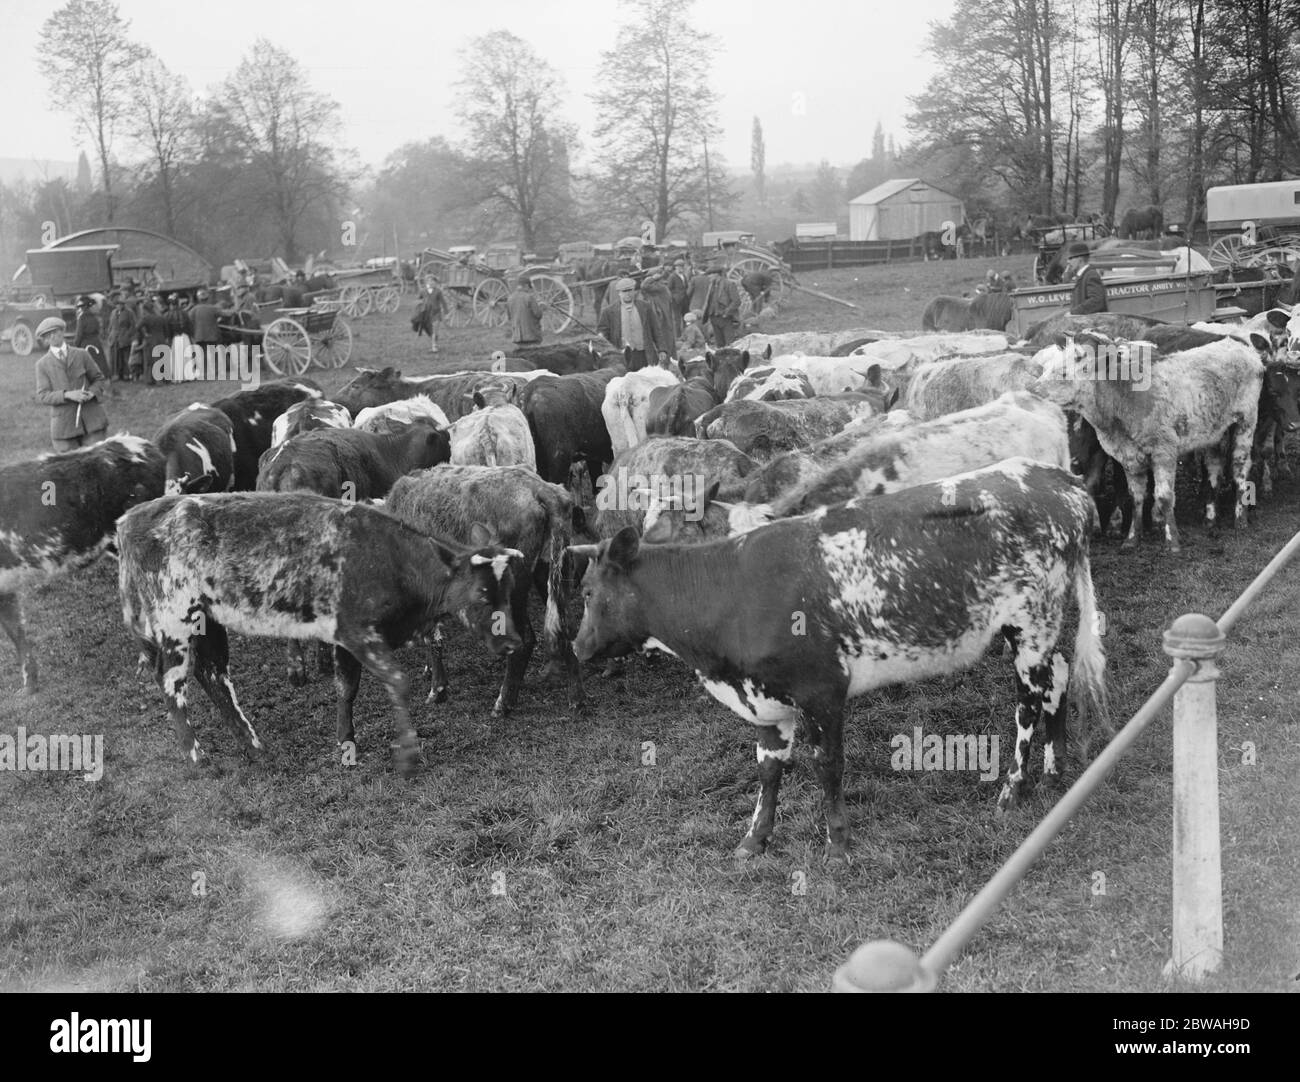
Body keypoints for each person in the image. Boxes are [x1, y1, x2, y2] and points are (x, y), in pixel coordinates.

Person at [33, 317, 108, 451]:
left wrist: (91, 392)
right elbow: (42, 395)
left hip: (92, 422)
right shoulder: (42, 364)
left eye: (55, 332)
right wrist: (67, 395)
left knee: (99, 463)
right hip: (64, 428)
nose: (52, 337)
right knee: (70, 468)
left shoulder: (82, 354)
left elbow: (99, 379)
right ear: (44, 340)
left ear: (62, 332)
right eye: (47, 335)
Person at [596, 278, 671, 371]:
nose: (628, 294)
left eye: (630, 291)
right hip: (622, 356)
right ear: (619, 293)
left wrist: (662, 349)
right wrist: (601, 337)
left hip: (644, 354)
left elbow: (656, 330)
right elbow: (602, 332)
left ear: (634, 291)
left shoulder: (645, 307)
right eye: (624, 291)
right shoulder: (608, 312)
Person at [701, 260, 742, 348]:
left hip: (726, 319)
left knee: (730, 344)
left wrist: (726, 313)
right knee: (719, 344)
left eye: (710, 274)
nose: (709, 277)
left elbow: (736, 301)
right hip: (714, 318)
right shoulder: (711, 285)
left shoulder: (729, 284)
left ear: (717, 274)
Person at [1065, 241, 1107, 314]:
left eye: (1071, 258)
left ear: (1080, 259)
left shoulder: (1091, 275)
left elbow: (1097, 301)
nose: (1068, 261)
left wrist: (1074, 312)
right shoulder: (1083, 275)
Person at [72, 295, 107, 381]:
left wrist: (76, 344)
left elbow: (79, 334)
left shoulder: (82, 318)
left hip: (86, 343)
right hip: (95, 341)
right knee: (99, 360)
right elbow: (98, 329)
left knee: (87, 361)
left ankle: (90, 378)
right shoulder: (94, 316)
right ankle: (102, 376)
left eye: (82, 306)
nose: (82, 308)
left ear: (85, 307)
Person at [137, 296, 168, 385]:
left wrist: (145, 334)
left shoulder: (146, 318)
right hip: (161, 339)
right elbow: (166, 330)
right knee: (162, 359)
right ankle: (164, 379)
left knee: (151, 360)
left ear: (145, 310)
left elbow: (137, 327)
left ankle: (152, 379)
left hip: (151, 340)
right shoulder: (161, 317)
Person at [412, 277, 450, 353]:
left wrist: (446, 313)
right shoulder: (423, 291)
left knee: (435, 330)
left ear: (435, 283)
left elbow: (443, 302)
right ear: (427, 283)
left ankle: (434, 346)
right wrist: (419, 306)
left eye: (433, 282)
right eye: (429, 281)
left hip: (436, 313)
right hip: (426, 314)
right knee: (430, 331)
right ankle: (434, 341)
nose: (431, 283)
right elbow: (418, 299)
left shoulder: (438, 291)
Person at [105, 292, 136, 382]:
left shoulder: (129, 312)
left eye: (120, 304)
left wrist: (128, 334)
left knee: (125, 357)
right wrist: (109, 334)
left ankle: (126, 374)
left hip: (124, 337)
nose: (118, 306)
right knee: (115, 357)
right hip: (114, 338)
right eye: (117, 304)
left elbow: (133, 325)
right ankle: (117, 374)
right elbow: (110, 325)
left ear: (123, 304)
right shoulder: (113, 313)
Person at [506, 274, 544, 348]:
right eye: (529, 288)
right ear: (526, 286)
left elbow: (509, 317)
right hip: (532, 336)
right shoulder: (529, 297)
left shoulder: (510, 299)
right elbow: (538, 314)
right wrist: (541, 308)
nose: (529, 290)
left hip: (517, 337)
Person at [190, 288, 221, 370]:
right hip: (212, 336)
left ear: (198, 299)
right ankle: (215, 371)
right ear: (207, 298)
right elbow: (225, 314)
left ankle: (205, 372)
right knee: (213, 353)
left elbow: (189, 320)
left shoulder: (194, 310)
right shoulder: (213, 308)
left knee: (203, 354)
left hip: (199, 336)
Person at [665, 258, 690, 337]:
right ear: (675, 267)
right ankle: (678, 336)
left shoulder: (684, 276)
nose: (680, 268)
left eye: (682, 267)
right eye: (678, 267)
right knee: (677, 320)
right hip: (676, 301)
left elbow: (686, 287)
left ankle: (687, 334)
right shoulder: (672, 276)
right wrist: (674, 298)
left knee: (686, 318)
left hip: (685, 300)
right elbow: (669, 289)